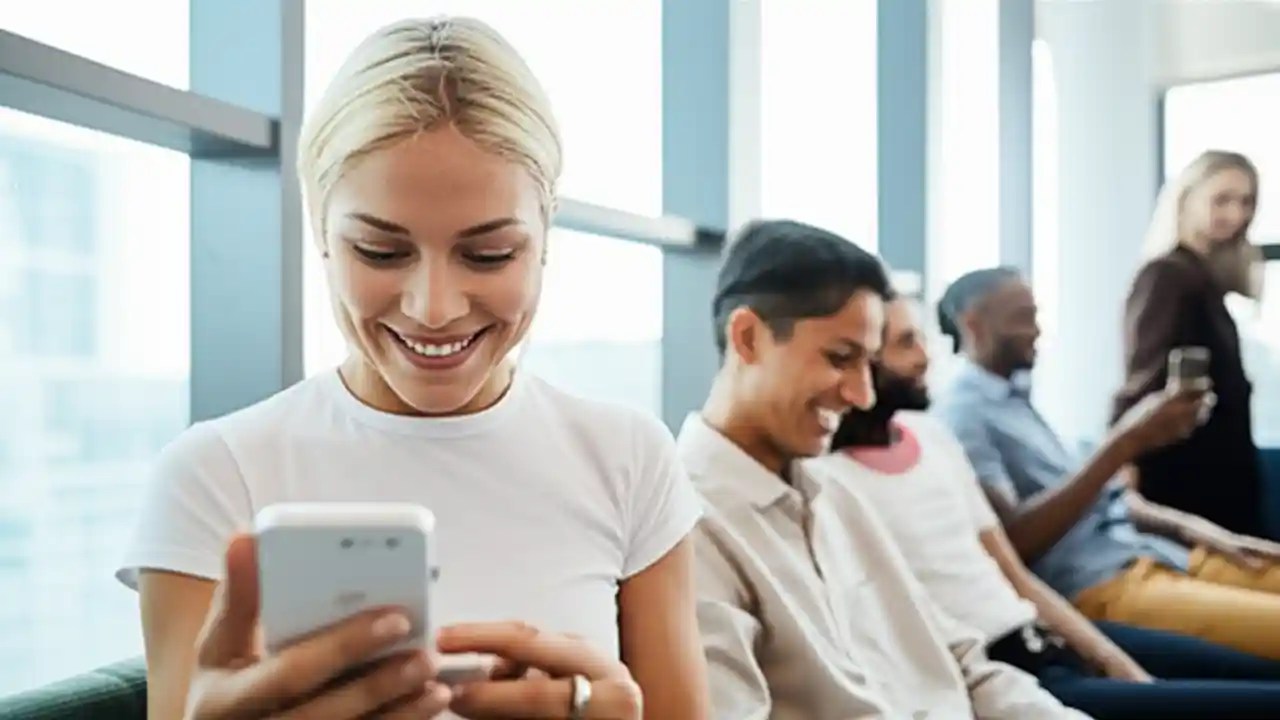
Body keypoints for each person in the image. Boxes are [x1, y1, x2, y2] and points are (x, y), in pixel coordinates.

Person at [116, 17, 709, 720]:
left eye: (488, 255)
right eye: (380, 251)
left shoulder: (629, 458)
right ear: (321, 233)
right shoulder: (215, 476)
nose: (433, 307)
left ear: (545, 238)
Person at [681, 219, 1087, 719]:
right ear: (748, 338)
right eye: (840, 358)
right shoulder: (691, 528)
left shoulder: (838, 495)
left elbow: (961, 660)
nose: (863, 395)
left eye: (869, 364)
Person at [814, 293, 1280, 718]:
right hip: (1051, 624)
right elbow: (1016, 545)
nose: (925, 356)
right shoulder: (857, 470)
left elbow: (1014, 571)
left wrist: (1114, 660)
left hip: (1056, 624)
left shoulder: (936, 434)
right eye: (905, 343)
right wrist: (1125, 443)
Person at [933, 266, 1280, 662]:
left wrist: (1194, 529)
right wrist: (1124, 443)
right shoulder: (963, 416)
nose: (1036, 330)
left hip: (1153, 553)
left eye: (1036, 315)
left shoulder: (1016, 399)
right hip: (1099, 584)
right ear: (973, 325)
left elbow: (1100, 501)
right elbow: (1012, 542)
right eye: (1021, 318)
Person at [1115, 150, 1268, 538]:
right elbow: (1143, 379)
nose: (1236, 214)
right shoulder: (1166, 276)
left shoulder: (1201, 279)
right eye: (1222, 199)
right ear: (1187, 199)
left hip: (1218, 473)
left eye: (1246, 202)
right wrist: (1121, 458)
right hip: (1185, 478)